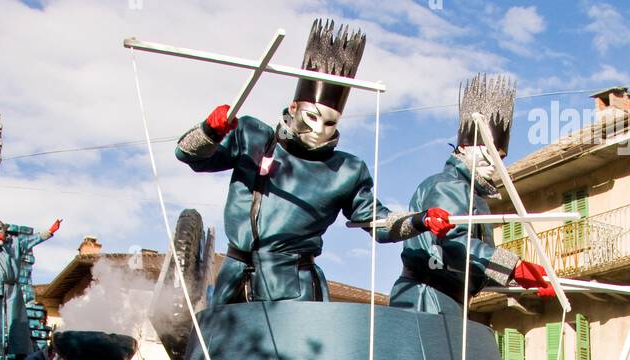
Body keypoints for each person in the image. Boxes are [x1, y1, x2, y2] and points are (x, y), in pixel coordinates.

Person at [175, 18, 448, 303]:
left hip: (296, 289)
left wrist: (420, 220)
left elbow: (377, 223)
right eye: (312, 117)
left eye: (330, 122)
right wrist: (210, 131)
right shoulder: (251, 135)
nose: (319, 129)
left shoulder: (347, 170)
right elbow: (188, 155)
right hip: (235, 280)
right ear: (294, 108)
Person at [388, 74, 553, 316]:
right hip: (428, 300)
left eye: (502, 157)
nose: (496, 164)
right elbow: (454, 243)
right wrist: (513, 266)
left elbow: (474, 265)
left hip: (448, 300)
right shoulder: (448, 185)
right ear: (465, 147)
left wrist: (523, 281)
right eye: (490, 153)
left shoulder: (475, 196)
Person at [0, 218, 61, 360]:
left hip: (12, 286)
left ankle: (19, 351)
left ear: (4, 228)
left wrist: (49, 231)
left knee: (16, 318)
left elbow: (33, 239)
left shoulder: (14, 243)